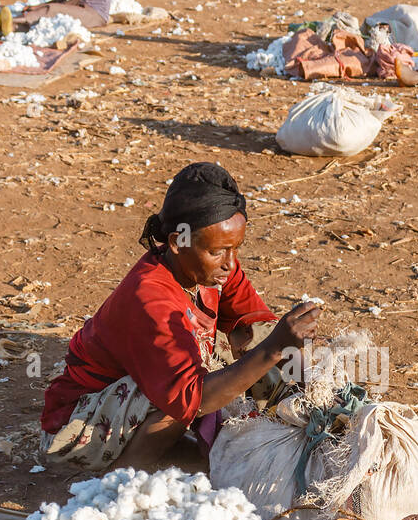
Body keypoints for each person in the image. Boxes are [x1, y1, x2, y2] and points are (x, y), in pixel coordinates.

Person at [40, 163, 322, 471]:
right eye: (218, 251)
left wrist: (313, 391)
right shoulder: (150, 299)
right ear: (177, 243)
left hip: (135, 403)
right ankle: (125, 478)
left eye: (235, 249)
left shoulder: (214, 268)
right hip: (79, 426)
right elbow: (193, 397)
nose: (230, 264)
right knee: (186, 395)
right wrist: (274, 349)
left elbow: (254, 328)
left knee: (253, 346)